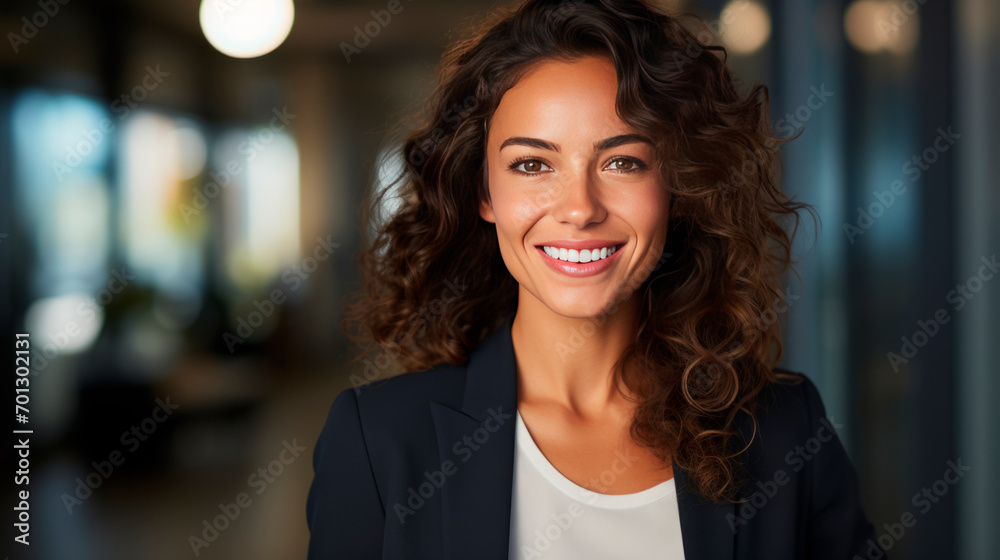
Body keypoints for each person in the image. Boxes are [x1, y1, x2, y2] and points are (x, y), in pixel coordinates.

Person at [307, 0, 882, 558]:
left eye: (623, 162)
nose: (579, 208)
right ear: (484, 192)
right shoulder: (378, 439)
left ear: (677, 187)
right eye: (533, 164)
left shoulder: (781, 428)